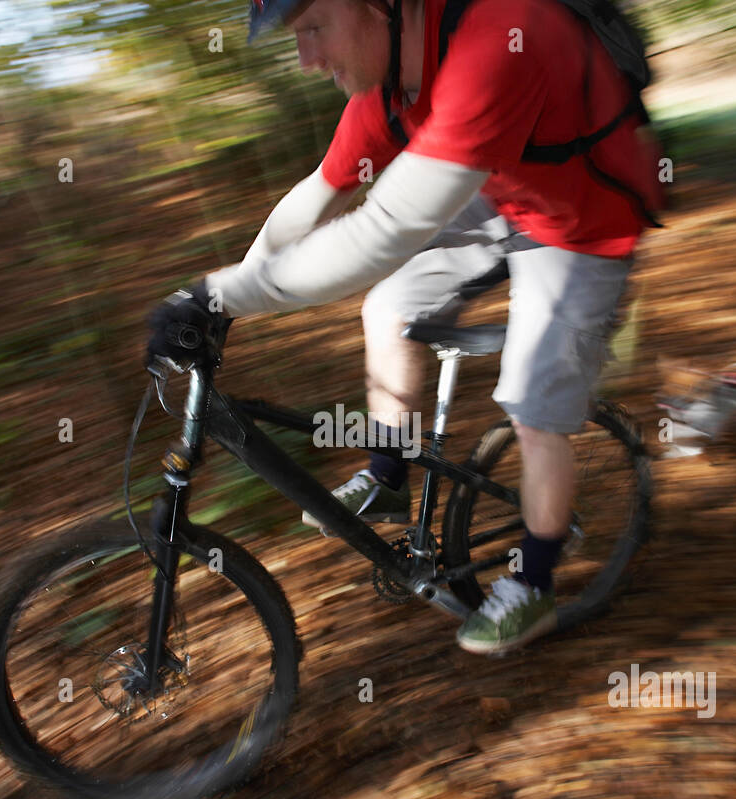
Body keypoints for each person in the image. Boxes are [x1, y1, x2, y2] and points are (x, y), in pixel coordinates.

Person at [146, 0, 663, 654]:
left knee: (535, 405)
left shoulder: (503, 36)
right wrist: (219, 298)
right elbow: (316, 195)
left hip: (588, 220)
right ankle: (389, 476)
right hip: (509, 188)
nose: (306, 59)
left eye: (311, 28)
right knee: (386, 307)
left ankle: (532, 585)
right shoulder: (391, 85)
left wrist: (220, 295)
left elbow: (385, 232)